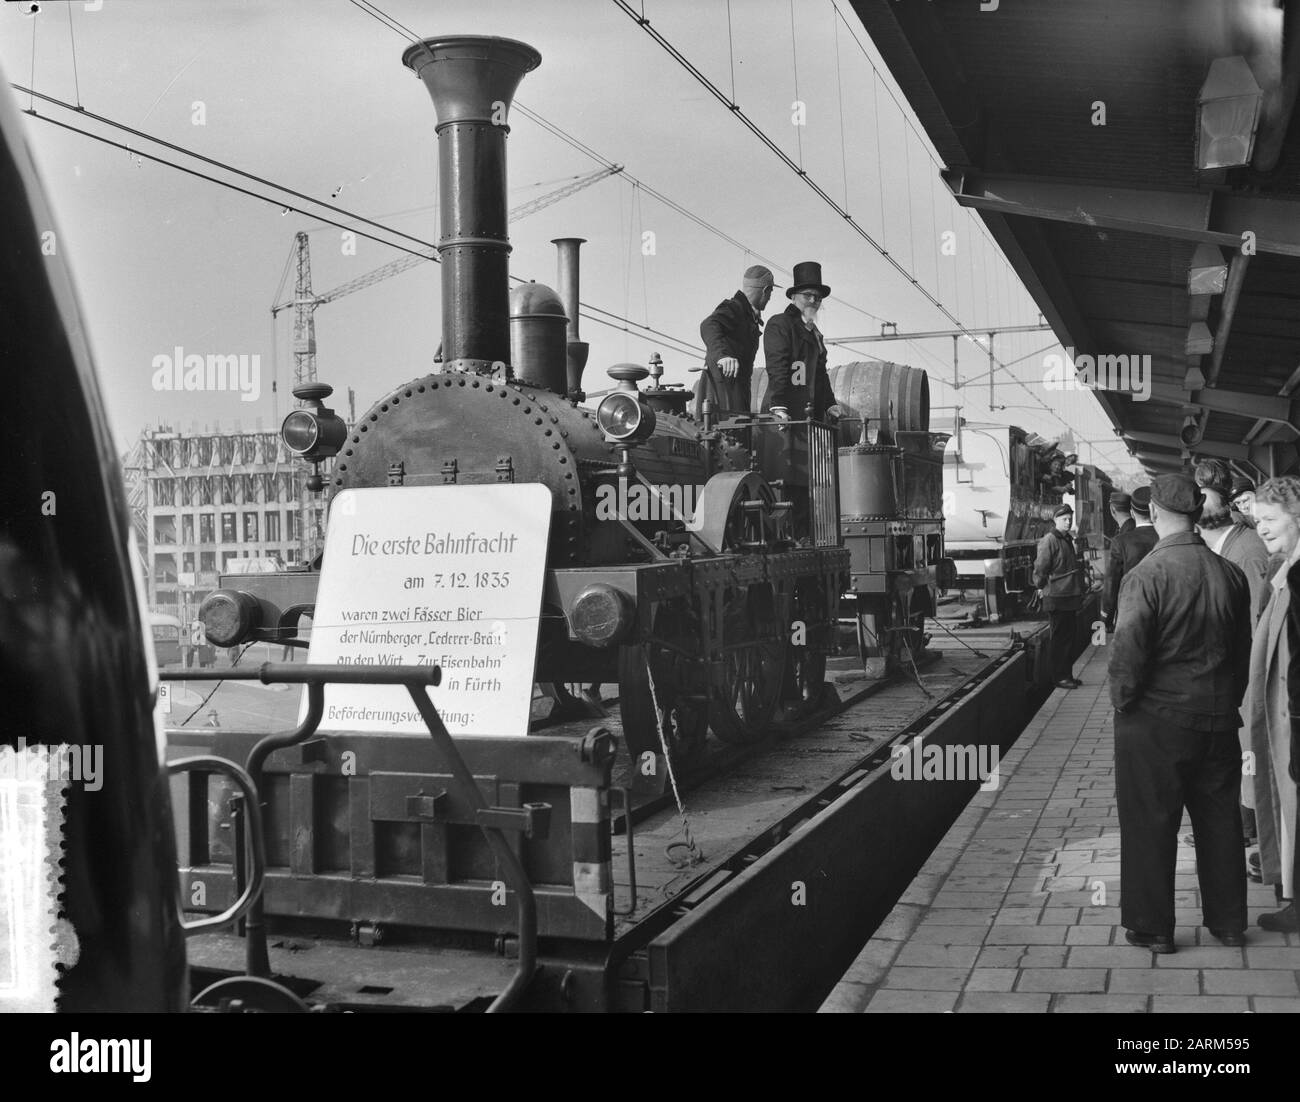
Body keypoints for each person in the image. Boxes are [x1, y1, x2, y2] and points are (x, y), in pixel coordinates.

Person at [1108, 474, 1252, 952]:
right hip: (1217, 719)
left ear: (1153, 515)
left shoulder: (1147, 575)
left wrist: (1124, 704)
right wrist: (1228, 700)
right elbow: (1242, 652)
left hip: (1156, 721)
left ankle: (1152, 928)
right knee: (1221, 822)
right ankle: (1229, 923)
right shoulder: (1229, 571)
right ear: (1196, 513)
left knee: (1150, 822)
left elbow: (1127, 655)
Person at [1245, 476, 1300, 932]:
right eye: (1256, 519)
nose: (1260, 527)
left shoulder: (1297, 579)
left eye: (1269, 519)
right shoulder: (1287, 570)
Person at [761, 260, 839, 422]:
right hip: (785, 414)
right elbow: (778, 367)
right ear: (793, 297)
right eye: (807, 295)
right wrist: (779, 405)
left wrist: (830, 404)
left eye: (817, 298)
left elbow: (820, 374)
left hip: (811, 415)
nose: (813, 300)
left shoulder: (815, 334)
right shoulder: (780, 324)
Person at [696, 264, 774, 419]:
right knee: (727, 437)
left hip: (735, 390)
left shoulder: (748, 315)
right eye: (771, 291)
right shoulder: (735, 308)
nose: (770, 297)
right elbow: (708, 324)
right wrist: (722, 356)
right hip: (723, 393)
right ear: (765, 291)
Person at [1033, 503, 1086, 689]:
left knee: (1069, 639)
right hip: (1057, 597)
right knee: (1059, 640)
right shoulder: (1049, 540)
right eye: (1064, 519)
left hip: (1069, 596)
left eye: (1070, 518)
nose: (1068, 521)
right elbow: (1040, 568)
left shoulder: (1067, 538)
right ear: (1055, 520)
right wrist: (1040, 586)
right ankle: (1059, 677)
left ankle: (1067, 674)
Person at [1100, 485, 1158, 632]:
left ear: (1132, 512)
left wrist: (1105, 619)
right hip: (1163, 614)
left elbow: (1111, 584)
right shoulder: (1165, 537)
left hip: (1131, 615)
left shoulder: (1121, 542)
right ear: (1153, 510)